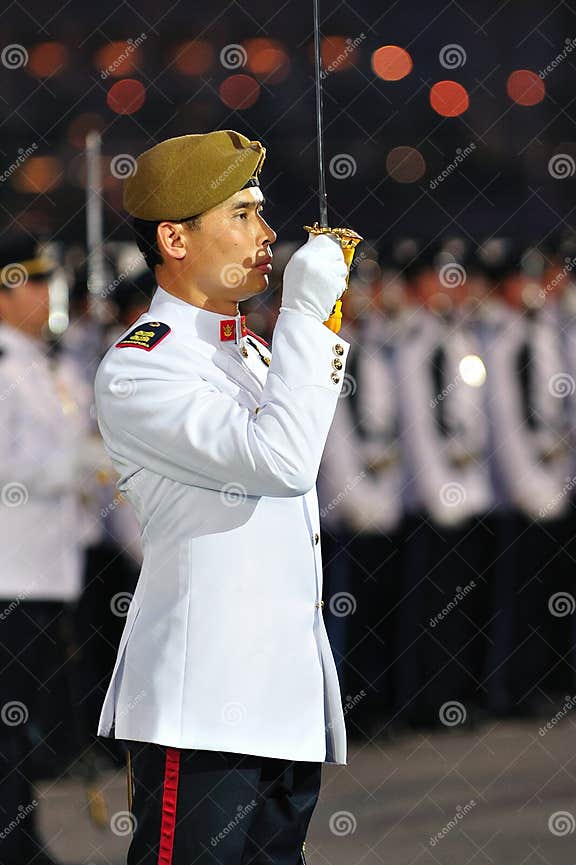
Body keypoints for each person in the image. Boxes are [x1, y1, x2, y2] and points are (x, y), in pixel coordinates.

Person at [94, 129, 351, 865]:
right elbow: (282, 461)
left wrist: (299, 329)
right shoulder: (143, 369)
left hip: (282, 695)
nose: (268, 234)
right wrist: (307, 315)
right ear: (174, 238)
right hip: (204, 703)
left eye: (261, 212)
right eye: (241, 214)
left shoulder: (246, 352)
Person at [0, 234, 92, 865]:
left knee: (21, 718)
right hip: (9, 569)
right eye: (30, 283)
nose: (43, 295)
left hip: (45, 568)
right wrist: (76, 463)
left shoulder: (42, 362)